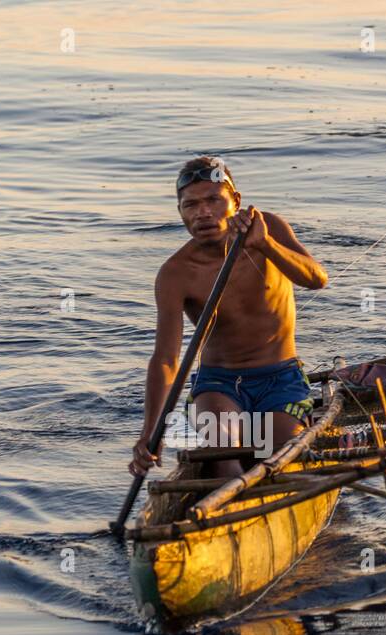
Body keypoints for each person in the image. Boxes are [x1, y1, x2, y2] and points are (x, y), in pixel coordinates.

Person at [130, 156, 329, 479]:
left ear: (235, 201)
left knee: (280, 457)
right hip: (218, 386)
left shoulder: (269, 228)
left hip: (280, 380)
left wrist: (265, 245)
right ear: (180, 212)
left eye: (213, 200)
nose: (203, 212)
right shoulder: (175, 273)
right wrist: (150, 433)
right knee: (224, 455)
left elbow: (317, 279)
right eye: (191, 205)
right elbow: (166, 360)